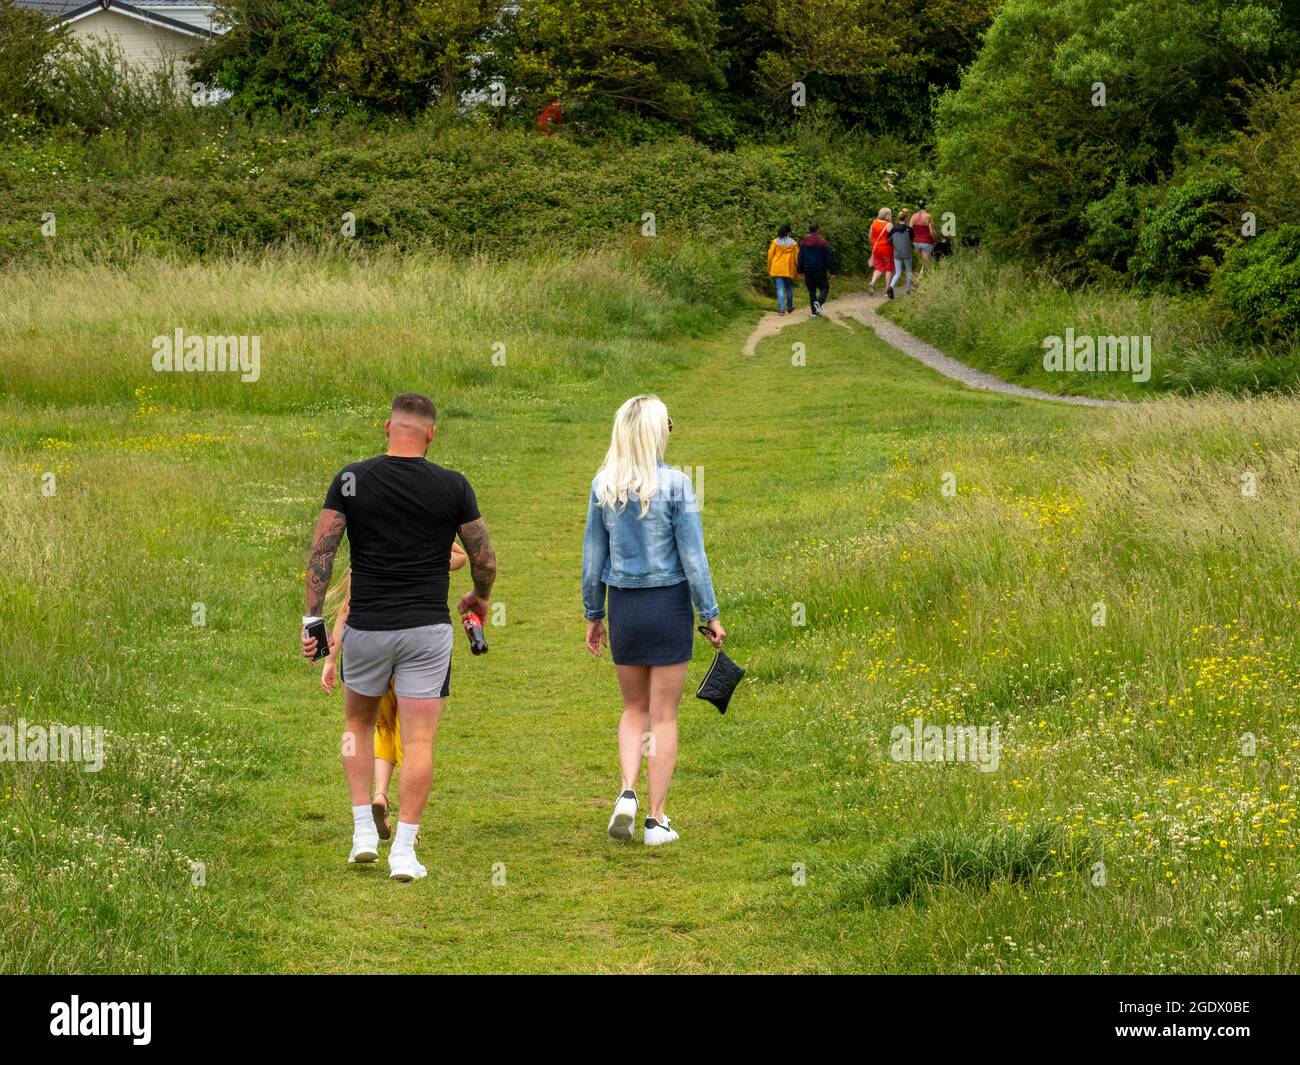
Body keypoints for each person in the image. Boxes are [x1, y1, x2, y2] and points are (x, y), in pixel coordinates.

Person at [301, 392, 496, 882]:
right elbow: (484, 558)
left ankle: (363, 832)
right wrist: (479, 596)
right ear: (431, 434)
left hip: (366, 626)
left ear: (387, 427)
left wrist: (313, 622)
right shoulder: (453, 485)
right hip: (426, 629)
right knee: (419, 739)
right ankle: (404, 852)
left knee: (357, 726)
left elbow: (322, 553)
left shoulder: (351, 479)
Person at [582, 395, 725, 847]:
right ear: (654, 431)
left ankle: (626, 792)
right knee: (664, 715)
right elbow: (694, 558)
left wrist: (594, 613)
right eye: (668, 424)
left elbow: (592, 559)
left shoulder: (603, 485)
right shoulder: (678, 484)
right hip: (668, 605)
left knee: (633, 709)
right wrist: (710, 614)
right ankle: (657, 818)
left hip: (624, 605)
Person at [320, 546, 468, 840]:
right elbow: (461, 556)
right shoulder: (425, 552)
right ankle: (408, 828)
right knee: (414, 737)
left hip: (369, 648)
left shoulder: (365, 557)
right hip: (417, 648)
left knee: (378, 728)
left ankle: (379, 795)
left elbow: (345, 611)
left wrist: (329, 659)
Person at [796, 223, 835, 316]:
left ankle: (814, 312)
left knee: (812, 291)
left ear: (809, 230)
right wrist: (832, 271)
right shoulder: (822, 242)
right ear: (818, 230)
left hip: (807, 269)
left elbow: (800, 257)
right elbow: (828, 258)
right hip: (819, 269)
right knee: (825, 288)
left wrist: (800, 270)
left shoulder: (803, 242)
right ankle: (819, 302)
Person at [766, 224, 799, 315]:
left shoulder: (775, 242)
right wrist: (799, 269)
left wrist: (769, 267)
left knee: (780, 288)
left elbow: (770, 256)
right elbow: (797, 258)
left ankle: (781, 309)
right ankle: (789, 306)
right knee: (789, 288)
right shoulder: (794, 243)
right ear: (789, 231)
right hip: (789, 268)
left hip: (777, 268)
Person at [887, 209, 914, 298]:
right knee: (908, 271)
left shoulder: (893, 229)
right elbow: (912, 240)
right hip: (907, 253)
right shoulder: (909, 230)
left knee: (897, 273)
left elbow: (888, 240)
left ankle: (890, 287)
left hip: (897, 253)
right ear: (906, 219)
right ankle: (908, 290)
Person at [868, 208, 894, 295]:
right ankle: (887, 289)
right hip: (886, 249)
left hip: (876, 249)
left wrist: (873, 244)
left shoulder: (874, 223)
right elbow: (893, 238)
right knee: (888, 269)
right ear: (888, 215)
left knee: (878, 268)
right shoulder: (889, 225)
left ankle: (872, 282)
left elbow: (870, 236)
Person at [910, 199, 936, 281]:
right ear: (926, 206)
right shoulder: (928, 216)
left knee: (920, 262)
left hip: (915, 242)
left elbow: (910, 230)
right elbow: (931, 232)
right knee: (925, 263)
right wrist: (935, 239)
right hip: (926, 242)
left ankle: (919, 279)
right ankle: (918, 282)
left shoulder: (913, 216)